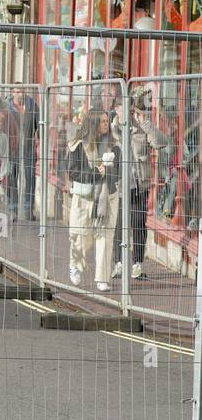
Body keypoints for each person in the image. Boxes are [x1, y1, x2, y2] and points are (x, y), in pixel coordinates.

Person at [114, 94, 170, 280]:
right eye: (123, 109)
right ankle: (118, 263)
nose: (127, 113)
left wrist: (145, 123)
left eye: (130, 109)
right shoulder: (111, 128)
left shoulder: (140, 127)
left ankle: (137, 264)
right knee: (119, 225)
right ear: (116, 109)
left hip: (139, 184)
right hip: (119, 184)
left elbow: (161, 143)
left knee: (138, 224)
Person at [67, 109, 121, 292]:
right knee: (81, 236)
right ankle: (75, 264)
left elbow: (120, 172)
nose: (107, 124)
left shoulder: (114, 146)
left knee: (105, 238)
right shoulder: (78, 145)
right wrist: (95, 173)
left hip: (107, 197)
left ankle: (102, 278)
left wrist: (111, 171)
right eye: (103, 121)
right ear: (93, 123)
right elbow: (73, 171)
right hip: (85, 198)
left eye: (107, 121)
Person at [8, 88, 39, 221]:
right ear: (12, 93)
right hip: (12, 148)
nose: (20, 94)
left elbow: (40, 125)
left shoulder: (33, 106)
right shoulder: (7, 106)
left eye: (22, 91)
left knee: (30, 178)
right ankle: (13, 209)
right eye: (17, 91)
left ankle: (28, 209)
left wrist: (40, 141)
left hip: (28, 148)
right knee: (12, 178)